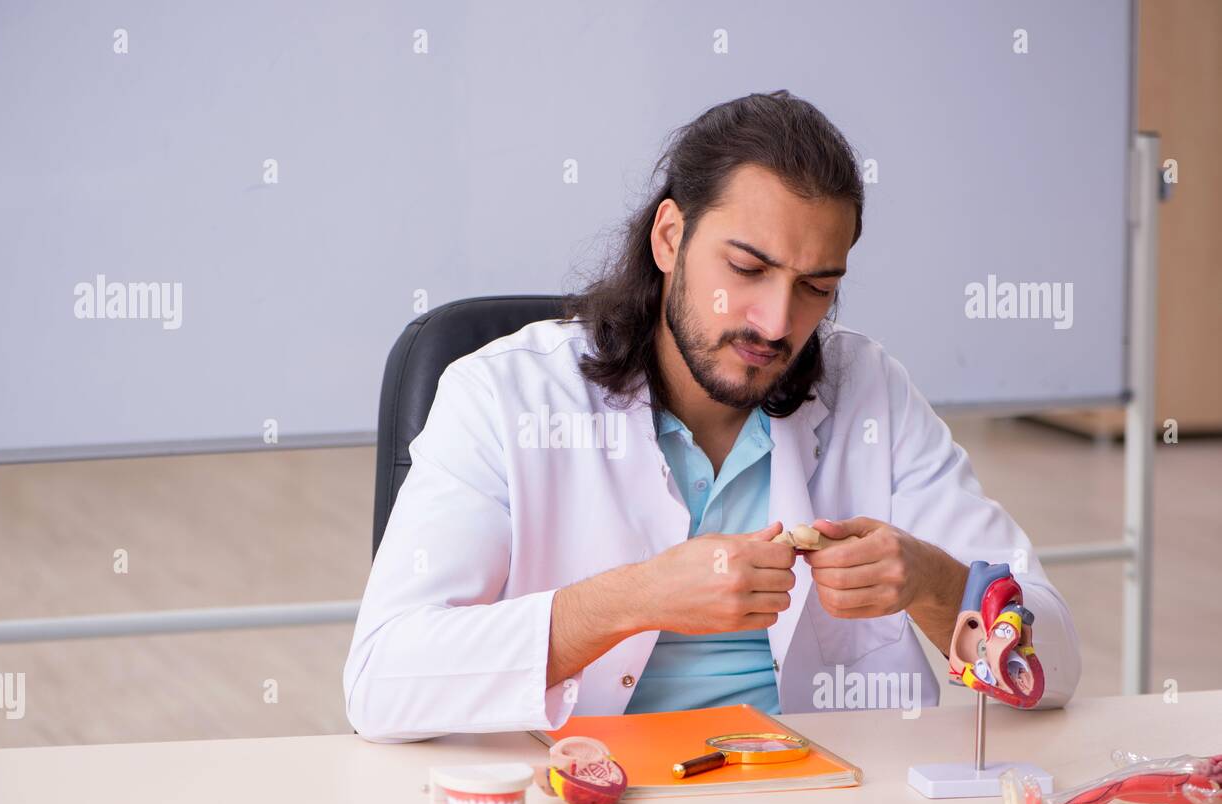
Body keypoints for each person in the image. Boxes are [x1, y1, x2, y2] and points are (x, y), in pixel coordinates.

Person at [343, 90, 1080, 742]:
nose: (775, 320)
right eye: (748, 269)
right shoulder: (504, 396)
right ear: (670, 238)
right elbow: (382, 678)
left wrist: (935, 580)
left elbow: (1060, 664)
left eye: (816, 286)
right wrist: (636, 598)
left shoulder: (870, 392)